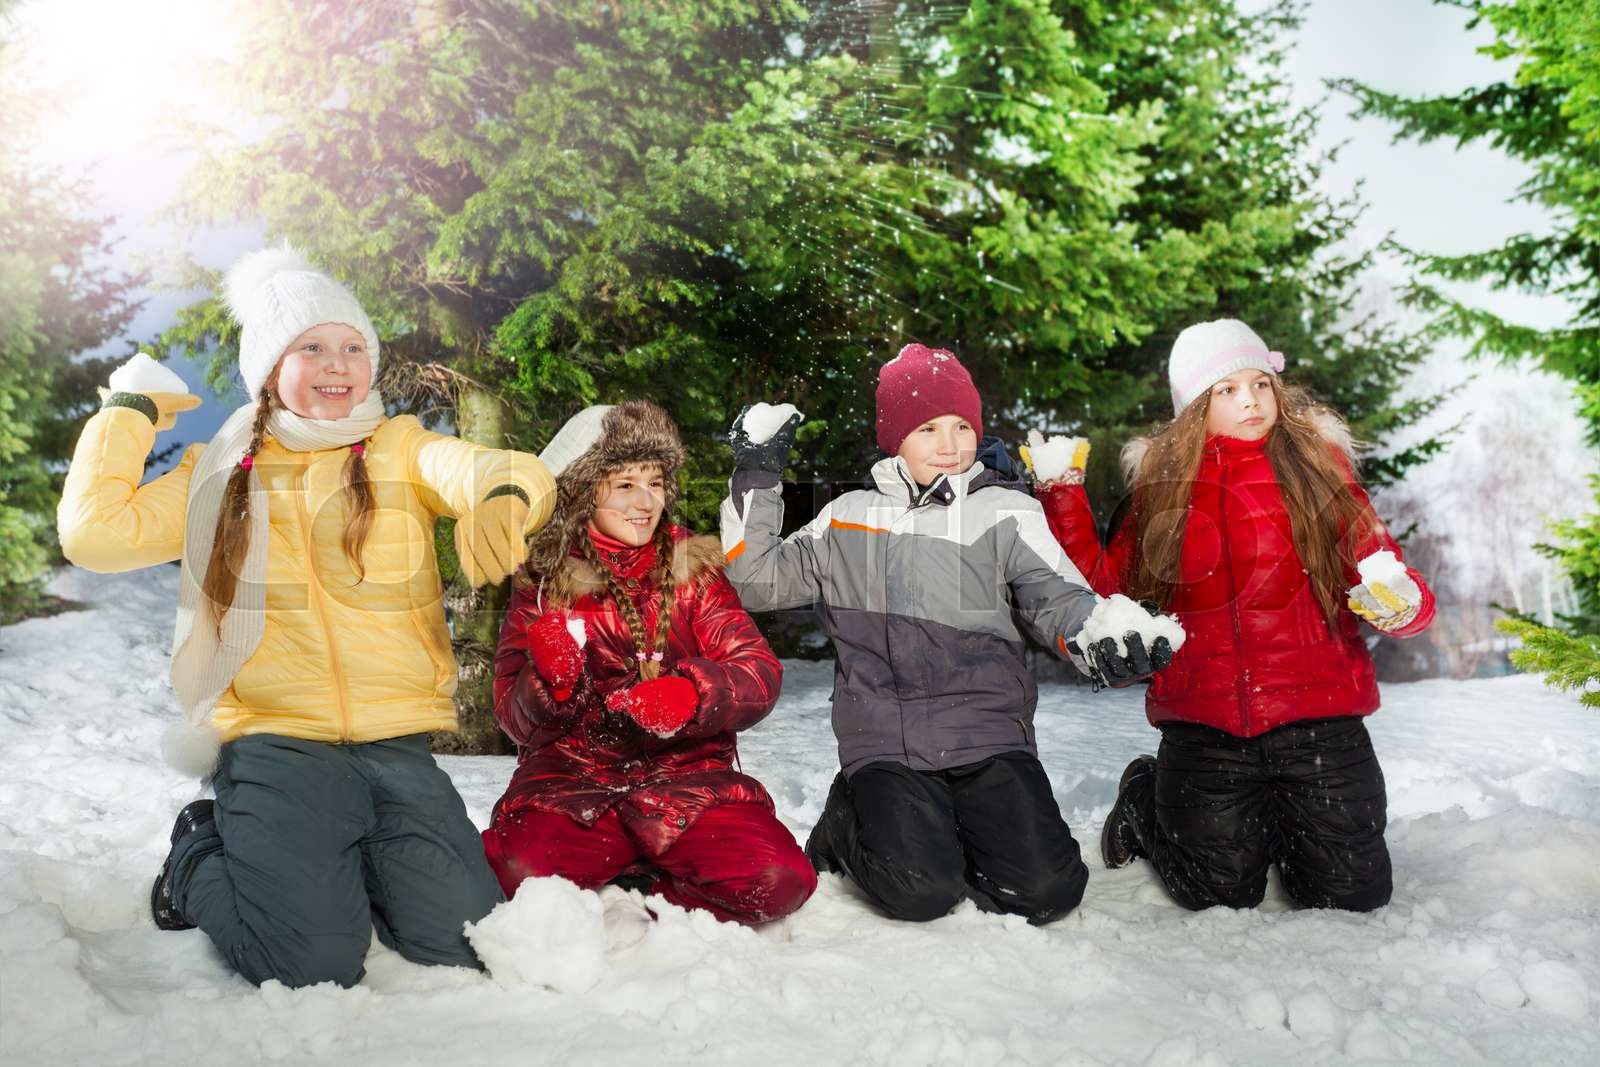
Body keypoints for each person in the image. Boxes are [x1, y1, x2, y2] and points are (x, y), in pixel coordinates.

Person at [57, 245, 556, 986]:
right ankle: (199, 850)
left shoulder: (398, 449)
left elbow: (493, 467)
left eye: (354, 345)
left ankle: (340, 868)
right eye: (312, 345)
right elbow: (95, 534)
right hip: (274, 741)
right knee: (311, 961)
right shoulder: (218, 473)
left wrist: (506, 496)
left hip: (396, 743)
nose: (338, 361)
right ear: (268, 369)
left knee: (469, 943)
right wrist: (129, 412)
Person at [720, 343, 1178, 924]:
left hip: (987, 733)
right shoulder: (848, 516)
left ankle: (953, 826)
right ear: (895, 440)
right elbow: (758, 583)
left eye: (962, 426)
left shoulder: (1004, 511)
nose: (950, 443)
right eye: (929, 427)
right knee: (920, 891)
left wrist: (1095, 635)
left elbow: (1057, 595)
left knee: (1046, 891)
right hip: (886, 740)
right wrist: (757, 477)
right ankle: (847, 817)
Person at [1029, 318, 1434, 912]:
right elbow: (1108, 590)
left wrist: (1405, 605)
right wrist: (1062, 494)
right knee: (1214, 893)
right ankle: (1145, 797)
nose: (1250, 400)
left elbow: (1380, 565)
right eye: (1226, 389)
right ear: (1194, 407)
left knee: (1351, 894)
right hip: (1206, 723)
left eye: (1260, 384)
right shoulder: (1162, 488)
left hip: (1319, 717)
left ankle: (1274, 816)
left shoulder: (1321, 469)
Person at [482, 401, 815, 925]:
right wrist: (548, 681)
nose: (645, 503)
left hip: (687, 782)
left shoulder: (695, 570)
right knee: (518, 873)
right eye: (624, 485)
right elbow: (512, 717)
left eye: (656, 483)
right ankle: (617, 864)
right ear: (583, 491)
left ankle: (652, 889)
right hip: (574, 783)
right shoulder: (544, 582)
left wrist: (694, 694)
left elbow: (757, 670)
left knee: (779, 882)